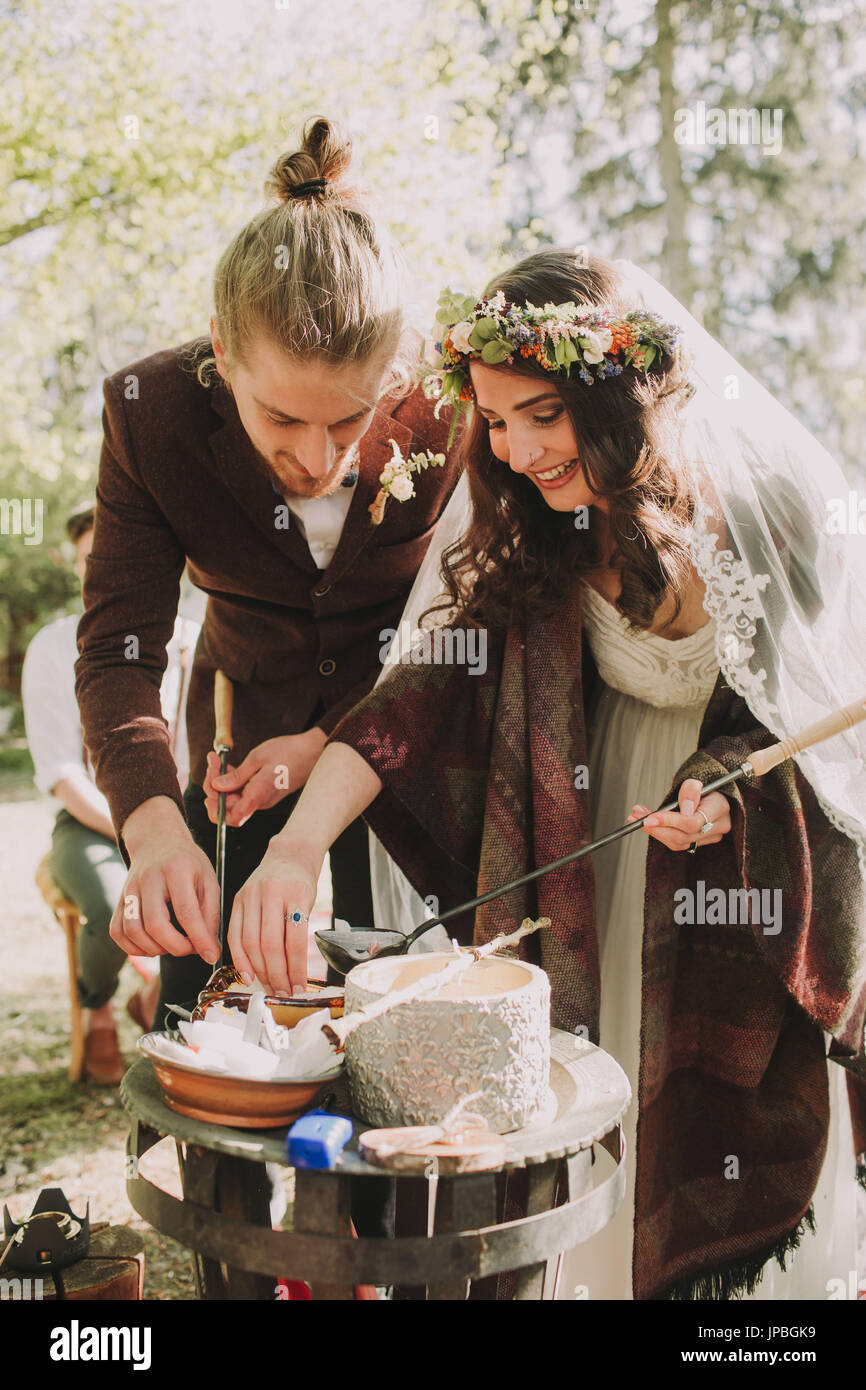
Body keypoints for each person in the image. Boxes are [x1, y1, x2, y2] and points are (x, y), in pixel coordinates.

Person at [223, 249, 866, 1300]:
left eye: (541, 415)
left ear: (613, 397)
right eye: (494, 421)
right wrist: (295, 846)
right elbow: (406, 708)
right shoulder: (527, 531)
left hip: (727, 867)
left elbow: (812, 722)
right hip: (590, 845)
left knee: (696, 1128)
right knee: (591, 1108)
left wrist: (727, 784)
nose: (515, 451)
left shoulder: (772, 514)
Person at [76, 117, 459, 1031]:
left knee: (400, 999)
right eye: (281, 419)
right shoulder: (150, 415)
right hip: (233, 736)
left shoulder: (457, 401)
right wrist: (152, 822)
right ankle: (209, 1176)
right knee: (205, 997)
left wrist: (333, 741)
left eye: (349, 420)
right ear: (220, 351)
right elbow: (117, 646)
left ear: (398, 364)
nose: (317, 455)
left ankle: (374, 1175)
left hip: (405, 721)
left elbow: (460, 618)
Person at [21, 503, 197, 1083]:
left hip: (180, 813)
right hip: (89, 819)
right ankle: (96, 1003)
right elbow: (64, 775)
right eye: (91, 560)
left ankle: (160, 1003)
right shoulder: (52, 646)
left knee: (210, 883)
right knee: (108, 901)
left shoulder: (190, 639)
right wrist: (140, 835)